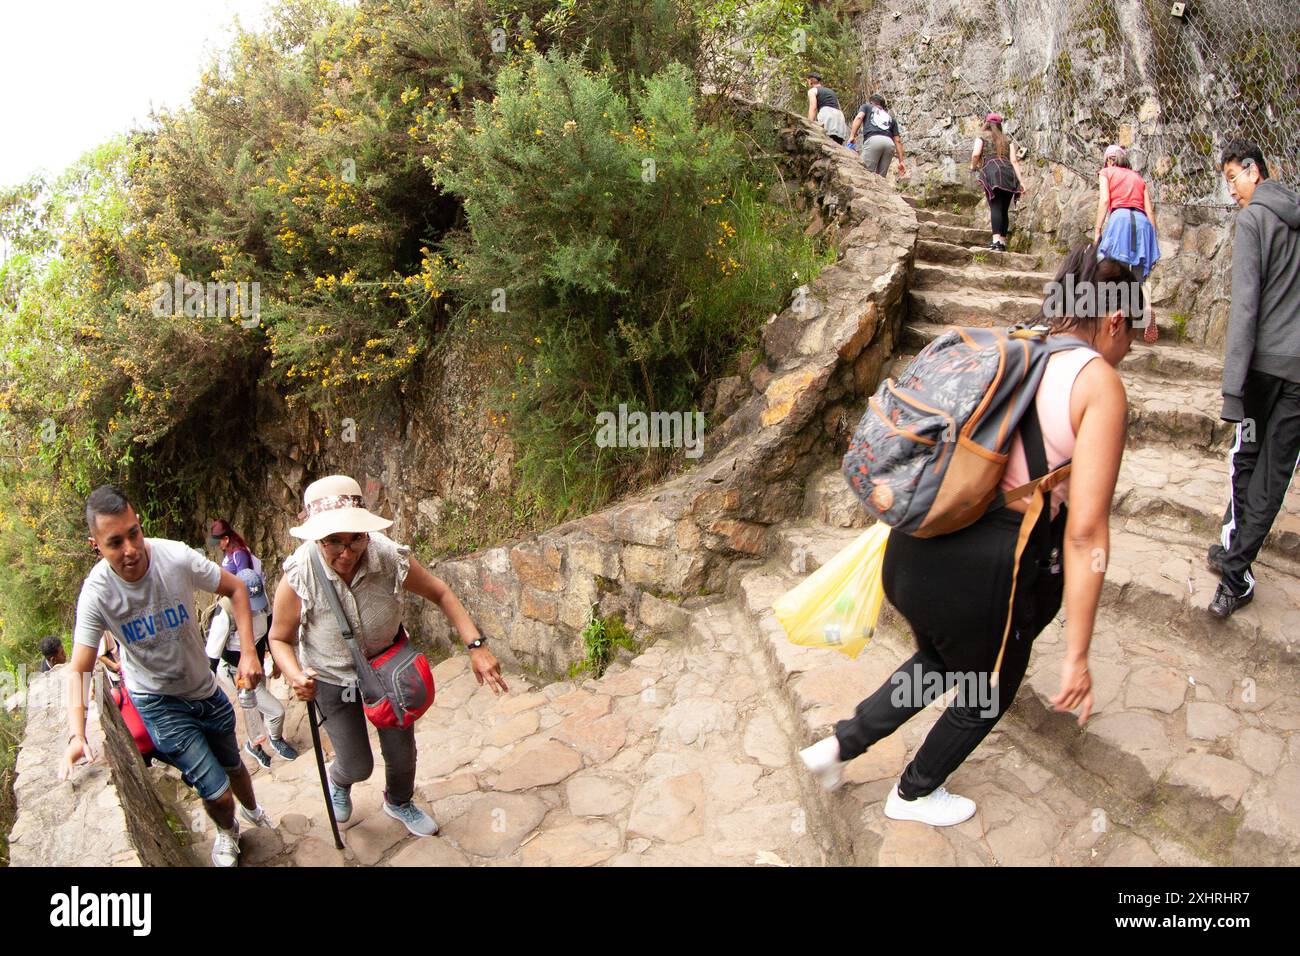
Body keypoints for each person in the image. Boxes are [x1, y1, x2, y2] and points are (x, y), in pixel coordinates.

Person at [800, 244, 1142, 825]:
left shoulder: (1016, 346)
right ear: (1113, 319)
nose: (1132, 344)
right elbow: (1086, 537)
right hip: (982, 574)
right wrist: (1078, 655)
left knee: (940, 659)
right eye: (1133, 329)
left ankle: (837, 747)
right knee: (990, 689)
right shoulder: (1097, 383)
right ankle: (913, 792)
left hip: (915, 548)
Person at [268, 475, 510, 838]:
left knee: (402, 754)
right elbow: (279, 638)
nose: (346, 552)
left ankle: (398, 801)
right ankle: (340, 780)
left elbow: (440, 593)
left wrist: (476, 647)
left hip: (386, 670)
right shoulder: (300, 574)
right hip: (333, 679)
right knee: (357, 763)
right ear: (317, 538)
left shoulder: (386, 555)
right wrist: (294, 675)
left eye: (355, 539)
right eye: (333, 541)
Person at [60, 484, 274, 867]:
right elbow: (79, 668)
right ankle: (228, 831)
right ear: (96, 544)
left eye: (133, 534)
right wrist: (77, 734)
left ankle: (254, 809)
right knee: (217, 791)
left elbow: (237, 589)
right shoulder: (97, 593)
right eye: (115, 542)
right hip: (158, 702)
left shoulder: (174, 557)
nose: (130, 550)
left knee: (234, 765)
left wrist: (247, 653)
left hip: (204, 688)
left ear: (139, 524)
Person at [1207, 140, 1300, 618]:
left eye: (1231, 178)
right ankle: (1235, 567)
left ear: (1253, 171)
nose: (1232, 191)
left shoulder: (1254, 220)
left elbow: (1245, 309)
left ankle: (1233, 567)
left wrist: (1232, 389)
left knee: (1246, 458)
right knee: (1275, 474)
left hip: (1262, 371)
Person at [205, 568, 299, 766]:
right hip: (236, 671)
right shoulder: (225, 613)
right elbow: (212, 656)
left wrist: (276, 660)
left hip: (256, 664)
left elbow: (270, 630)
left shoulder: (261, 602)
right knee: (275, 711)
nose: (255, 608)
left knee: (259, 708)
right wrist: (207, 694)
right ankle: (274, 740)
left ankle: (254, 745)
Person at [1093, 144, 1161, 344]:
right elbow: (1150, 210)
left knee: (1114, 270)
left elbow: (1105, 201)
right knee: (1140, 275)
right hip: (1142, 223)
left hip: (1120, 219)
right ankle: (1147, 310)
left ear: (1109, 160)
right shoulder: (1138, 178)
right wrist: (1153, 237)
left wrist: (1097, 229)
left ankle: (1117, 316)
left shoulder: (1106, 172)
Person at [971, 113, 1025, 252]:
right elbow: (1014, 161)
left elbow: (976, 154)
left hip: (993, 172)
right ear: (1000, 125)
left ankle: (995, 242)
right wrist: (1021, 182)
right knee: (1004, 209)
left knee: (995, 206)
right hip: (1009, 174)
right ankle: (1002, 241)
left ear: (986, 123)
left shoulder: (982, 137)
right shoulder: (1008, 141)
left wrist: (973, 166)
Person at [848, 93, 906, 178]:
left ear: (871, 102)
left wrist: (852, 136)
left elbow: (859, 118)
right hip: (889, 144)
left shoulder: (866, 107)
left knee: (864, 173)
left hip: (873, 140)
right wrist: (901, 161)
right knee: (881, 178)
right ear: (883, 106)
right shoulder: (890, 118)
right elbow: (897, 140)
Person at [806, 73, 848, 145]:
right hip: (840, 118)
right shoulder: (831, 92)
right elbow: (839, 107)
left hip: (827, 115)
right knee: (837, 144)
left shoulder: (812, 91)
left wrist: (809, 125)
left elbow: (813, 108)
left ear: (810, 81)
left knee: (825, 143)